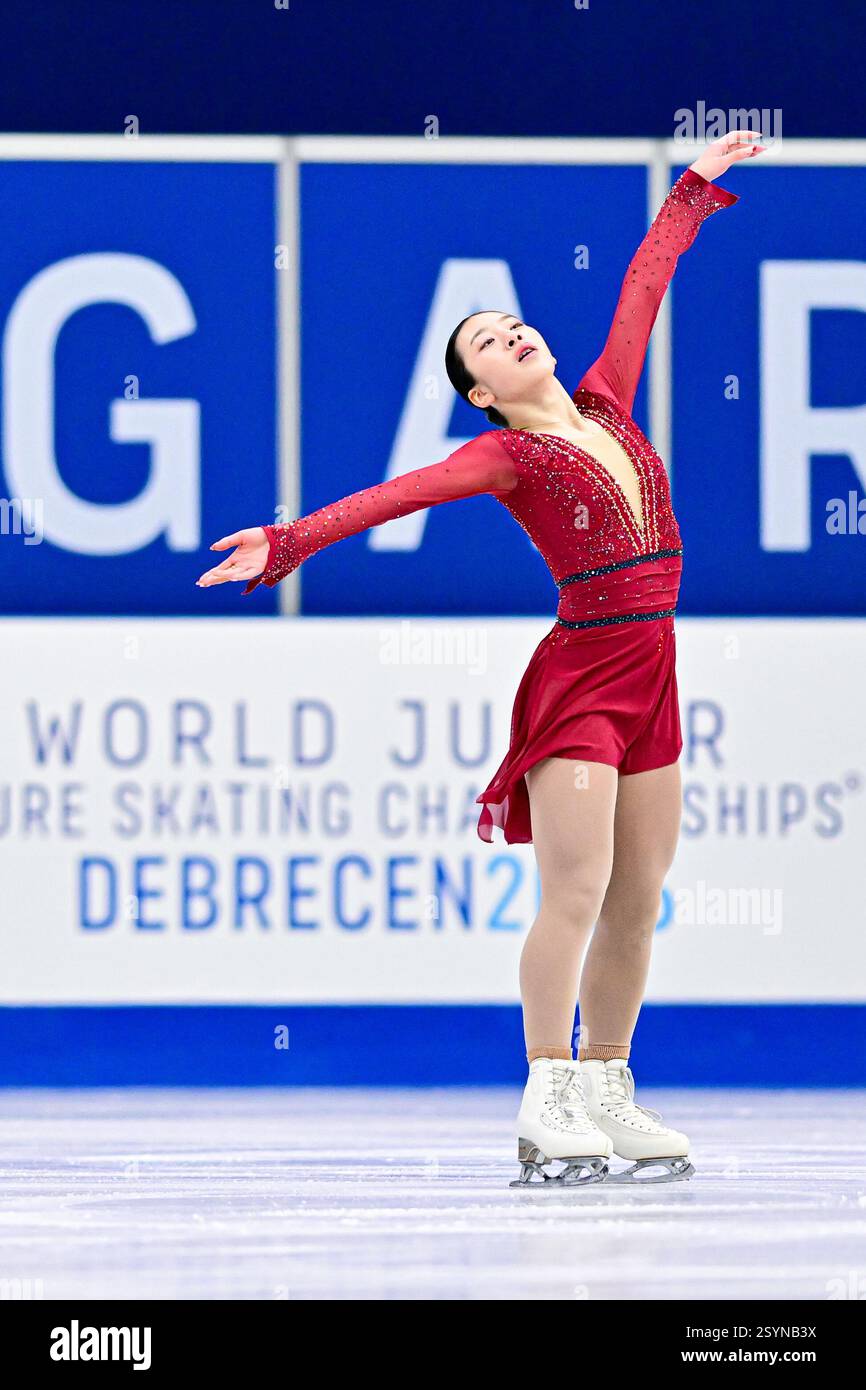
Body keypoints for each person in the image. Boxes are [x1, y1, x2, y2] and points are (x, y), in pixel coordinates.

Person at [197, 131, 765, 1185]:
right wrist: (284, 543)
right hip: (582, 676)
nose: (513, 336)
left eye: (511, 324)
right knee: (577, 887)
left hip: (654, 671)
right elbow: (392, 496)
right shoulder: (500, 454)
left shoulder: (603, 400)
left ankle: (607, 1086)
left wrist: (692, 190)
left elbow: (642, 286)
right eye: (488, 344)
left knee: (640, 894)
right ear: (478, 393)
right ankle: (545, 1092)